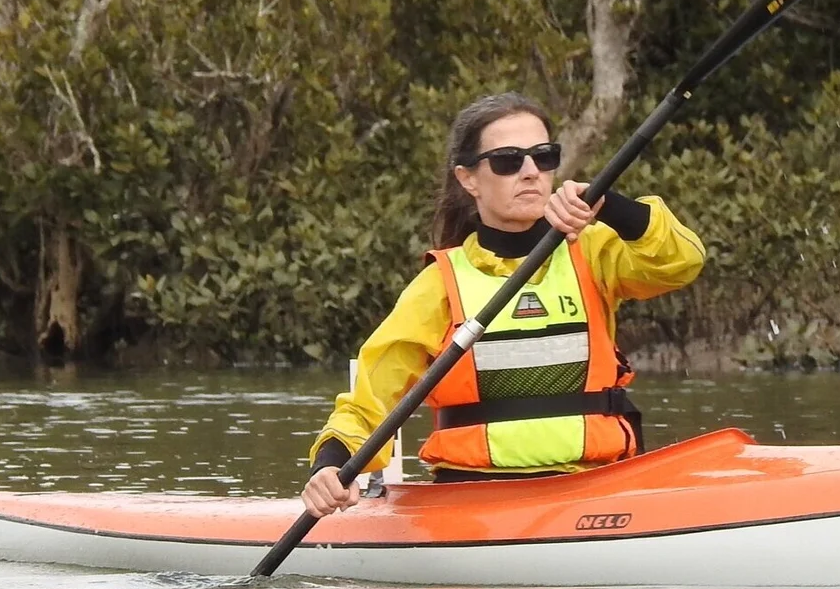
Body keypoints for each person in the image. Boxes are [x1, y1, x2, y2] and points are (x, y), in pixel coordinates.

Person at [301, 91, 705, 517]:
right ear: (469, 178)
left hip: (596, 488)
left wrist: (612, 208)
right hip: (475, 499)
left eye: (543, 156)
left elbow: (682, 262)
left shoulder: (593, 252)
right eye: (508, 160)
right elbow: (370, 402)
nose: (530, 172)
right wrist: (329, 466)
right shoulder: (440, 285)